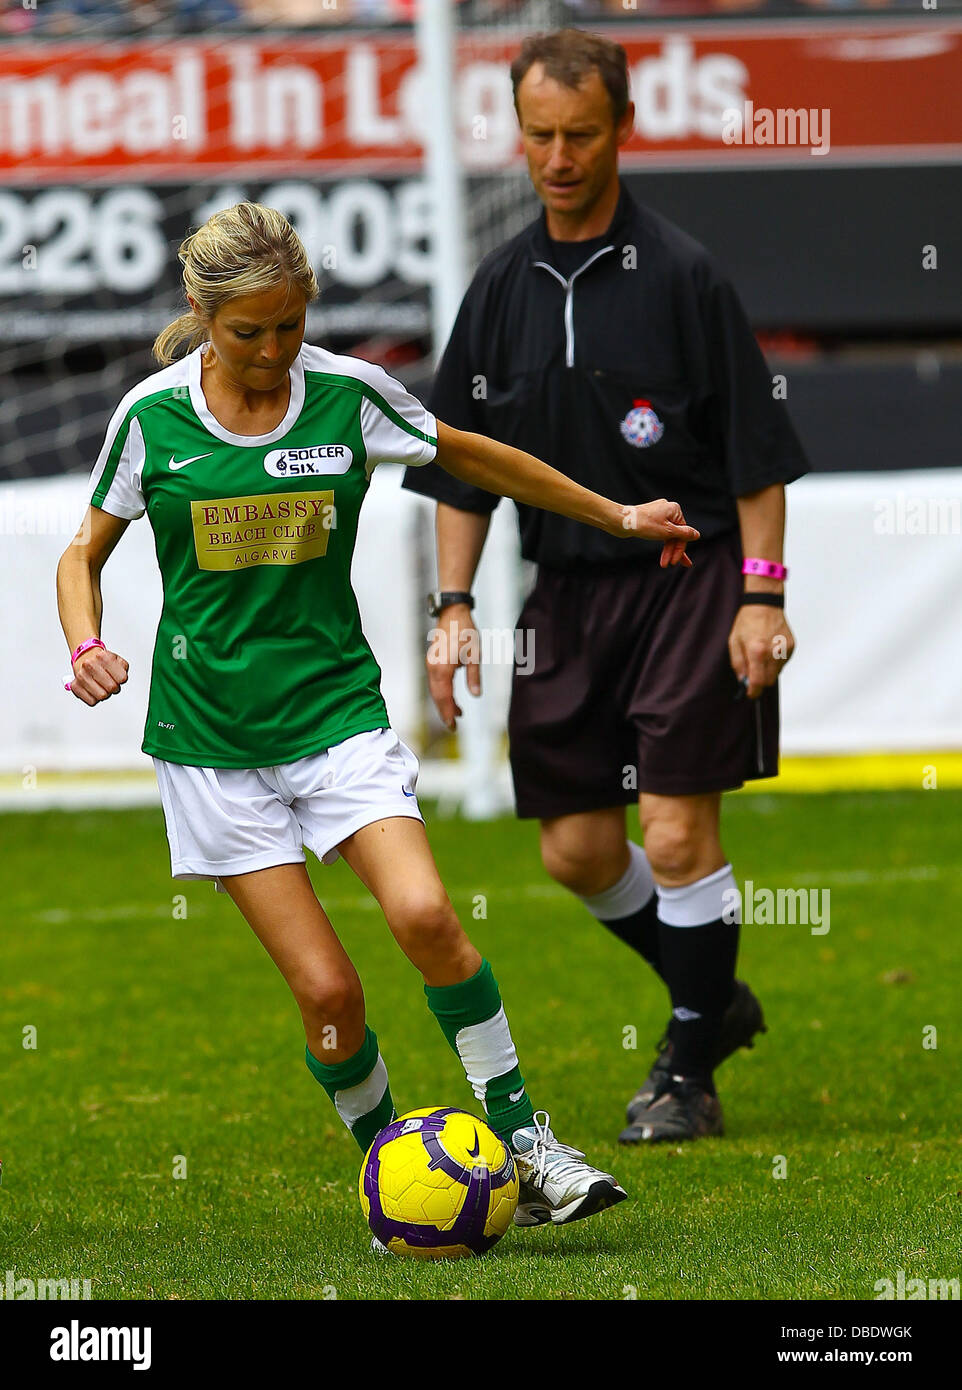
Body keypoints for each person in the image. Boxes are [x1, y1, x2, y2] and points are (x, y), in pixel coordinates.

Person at [56, 201, 699, 1238]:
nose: (271, 353)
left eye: (290, 328)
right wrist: (87, 645)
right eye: (246, 333)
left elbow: (476, 457)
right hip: (212, 746)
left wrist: (618, 514)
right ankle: (400, 1174)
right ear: (199, 315)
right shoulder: (151, 418)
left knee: (427, 918)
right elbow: (79, 553)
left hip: (337, 715)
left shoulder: (349, 396)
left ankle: (525, 1141)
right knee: (329, 994)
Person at [402, 29, 809, 1144]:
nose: (559, 156)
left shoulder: (682, 275)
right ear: (517, 135)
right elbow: (462, 469)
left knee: (676, 839)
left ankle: (684, 1066)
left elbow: (756, 457)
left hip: (688, 580)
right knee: (575, 851)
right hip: (562, 599)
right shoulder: (495, 290)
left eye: (581, 134)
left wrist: (761, 597)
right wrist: (451, 610)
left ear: (623, 128)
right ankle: (710, 992)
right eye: (539, 135)